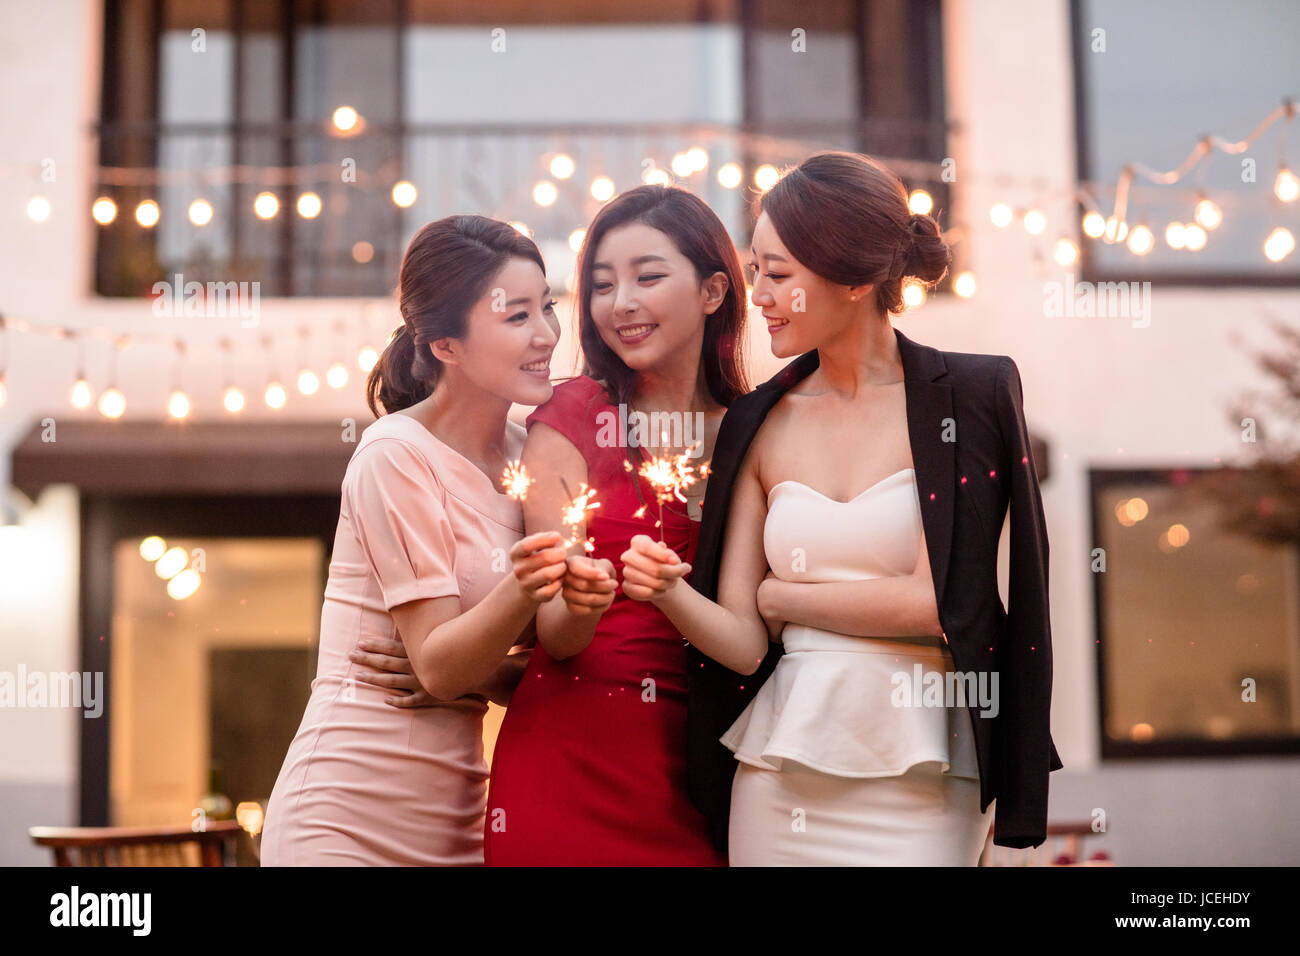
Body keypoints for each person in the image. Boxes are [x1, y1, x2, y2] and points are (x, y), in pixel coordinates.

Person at [622, 151, 1063, 865]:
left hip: (924, 771)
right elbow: (743, 640)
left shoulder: (972, 398)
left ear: (856, 278)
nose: (757, 294)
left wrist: (779, 591)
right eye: (755, 268)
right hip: (780, 771)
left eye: (779, 274)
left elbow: (938, 604)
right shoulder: (758, 421)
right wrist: (671, 592)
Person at [261, 215, 569, 865]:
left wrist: (480, 673)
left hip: (458, 823)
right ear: (445, 345)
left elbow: (491, 672)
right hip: (343, 819)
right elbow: (436, 663)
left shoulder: (532, 456)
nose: (546, 335)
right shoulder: (395, 456)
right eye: (516, 316)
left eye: (548, 306)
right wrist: (522, 586)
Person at [481, 184, 749, 865]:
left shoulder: (754, 431)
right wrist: (579, 602)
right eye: (602, 285)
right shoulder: (571, 414)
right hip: (567, 768)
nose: (620, 303)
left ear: (714, 291)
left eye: (647, 277)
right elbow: (557, 638)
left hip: (706, 772)